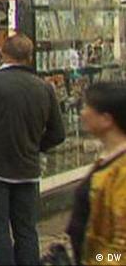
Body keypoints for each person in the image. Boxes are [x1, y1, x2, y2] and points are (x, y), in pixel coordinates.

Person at [0, 34, 65, 266]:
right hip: (28, 170)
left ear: (3, 53)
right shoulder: (45, 88)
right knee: (26, 229)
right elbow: (58, 134)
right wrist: (35, 146)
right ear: (30, 57)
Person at [67, 82, 126, 265]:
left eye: (87, 107)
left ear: (106, 119)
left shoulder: (122, 171)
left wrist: (98, 260)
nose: (82, 113)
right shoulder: (107, 158)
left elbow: (121, 252)